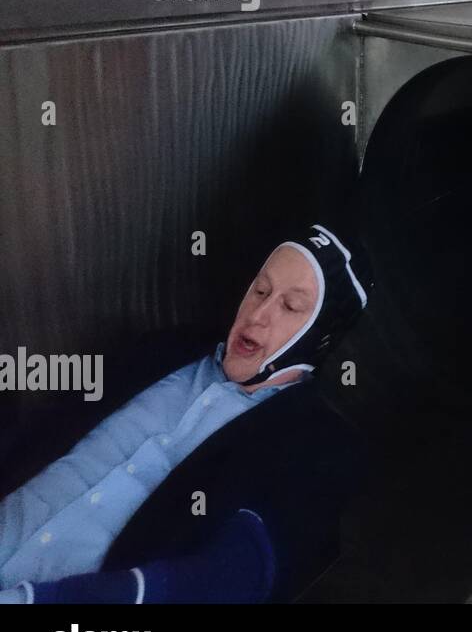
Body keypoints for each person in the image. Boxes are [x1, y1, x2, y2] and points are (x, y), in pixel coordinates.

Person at [0, 223, 371, 604]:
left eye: (290, 306)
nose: (258, 313)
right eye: (260, 289)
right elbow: (44, 417)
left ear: (321, 334)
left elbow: (233, 578)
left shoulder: (319, 443)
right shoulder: (164, 348)